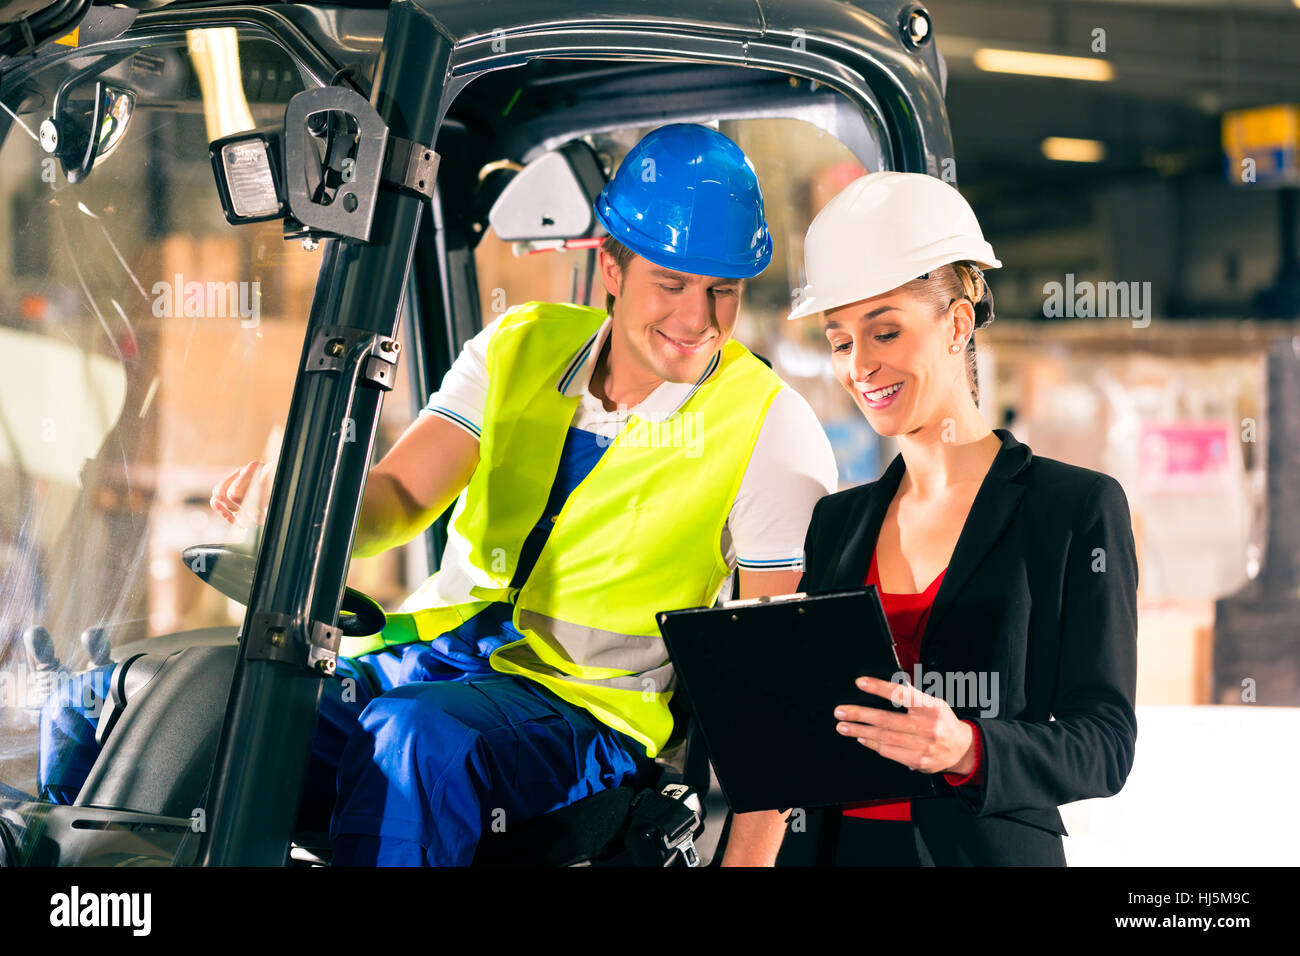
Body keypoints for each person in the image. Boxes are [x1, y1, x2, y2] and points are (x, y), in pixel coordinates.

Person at [210, 124, 837, 866]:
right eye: (671, 285)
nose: (696, 321)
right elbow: (400, 501)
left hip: (584, 713)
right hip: (438, 662)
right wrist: (302, 505)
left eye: (721, 292)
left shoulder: (771, 426)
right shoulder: (519, 343)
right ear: (611, 264)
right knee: (215, 701)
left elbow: (776, 685)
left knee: (415, 742)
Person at [775, 171, 1138, 866]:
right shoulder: (837, 524)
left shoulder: (1071, 511)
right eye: (841, 341)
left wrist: (969, 748)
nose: (861, 366)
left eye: (885, 331)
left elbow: (1106, 743)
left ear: (958, 323)